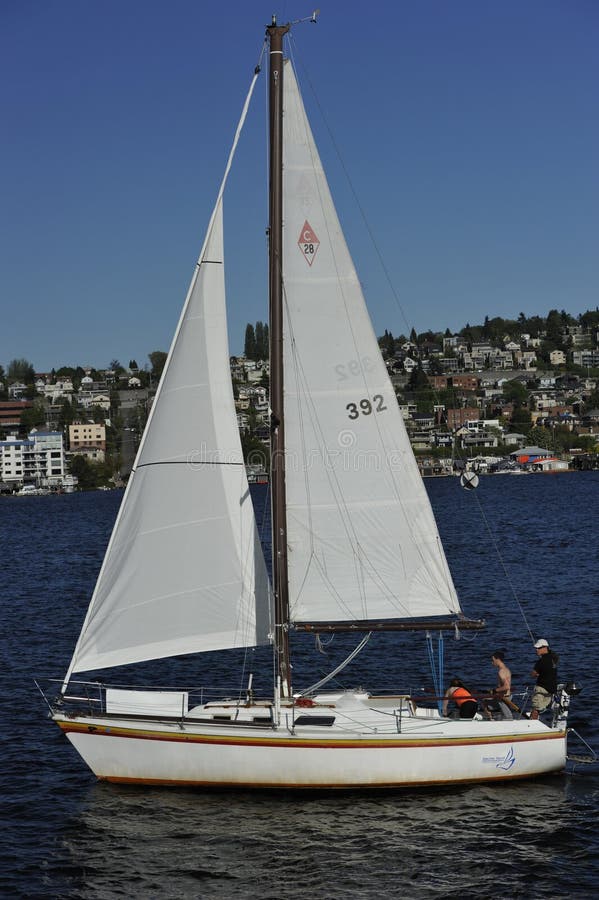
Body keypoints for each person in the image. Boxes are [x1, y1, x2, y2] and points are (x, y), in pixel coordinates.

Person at [530, 638, 558, 719]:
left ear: (545, 647)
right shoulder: (554, 658)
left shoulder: (541, 661)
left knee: (535, 709)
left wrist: (536, 673)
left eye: (538, 648)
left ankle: (532, 725)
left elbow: (533, 674)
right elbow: (549, 668)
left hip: (541, 688)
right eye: (536, 648)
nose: (536, 650)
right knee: (540, 709)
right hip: (551, 689)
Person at [483, 649, 513, 719]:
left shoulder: (501, 672)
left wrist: (495, 690)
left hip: (503, 698)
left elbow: (506, 686)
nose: (492, 662)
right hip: (508, 696)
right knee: (486, 700)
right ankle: (494, 717)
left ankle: (491, 719)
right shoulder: (507, 669)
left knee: (484, 701)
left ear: (498, 659)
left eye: (493, 660)